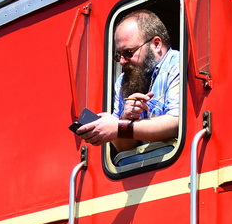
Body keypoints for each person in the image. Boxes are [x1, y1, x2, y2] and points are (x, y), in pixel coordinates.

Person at [77, 9, 181, 154]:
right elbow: (124, 148)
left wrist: (120, 127)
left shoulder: (176, 64)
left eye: (128, 53)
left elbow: (177, 123)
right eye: (119, 55)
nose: (122, 61)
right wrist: (124, 120)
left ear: (156, 44)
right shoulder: (122, 81)